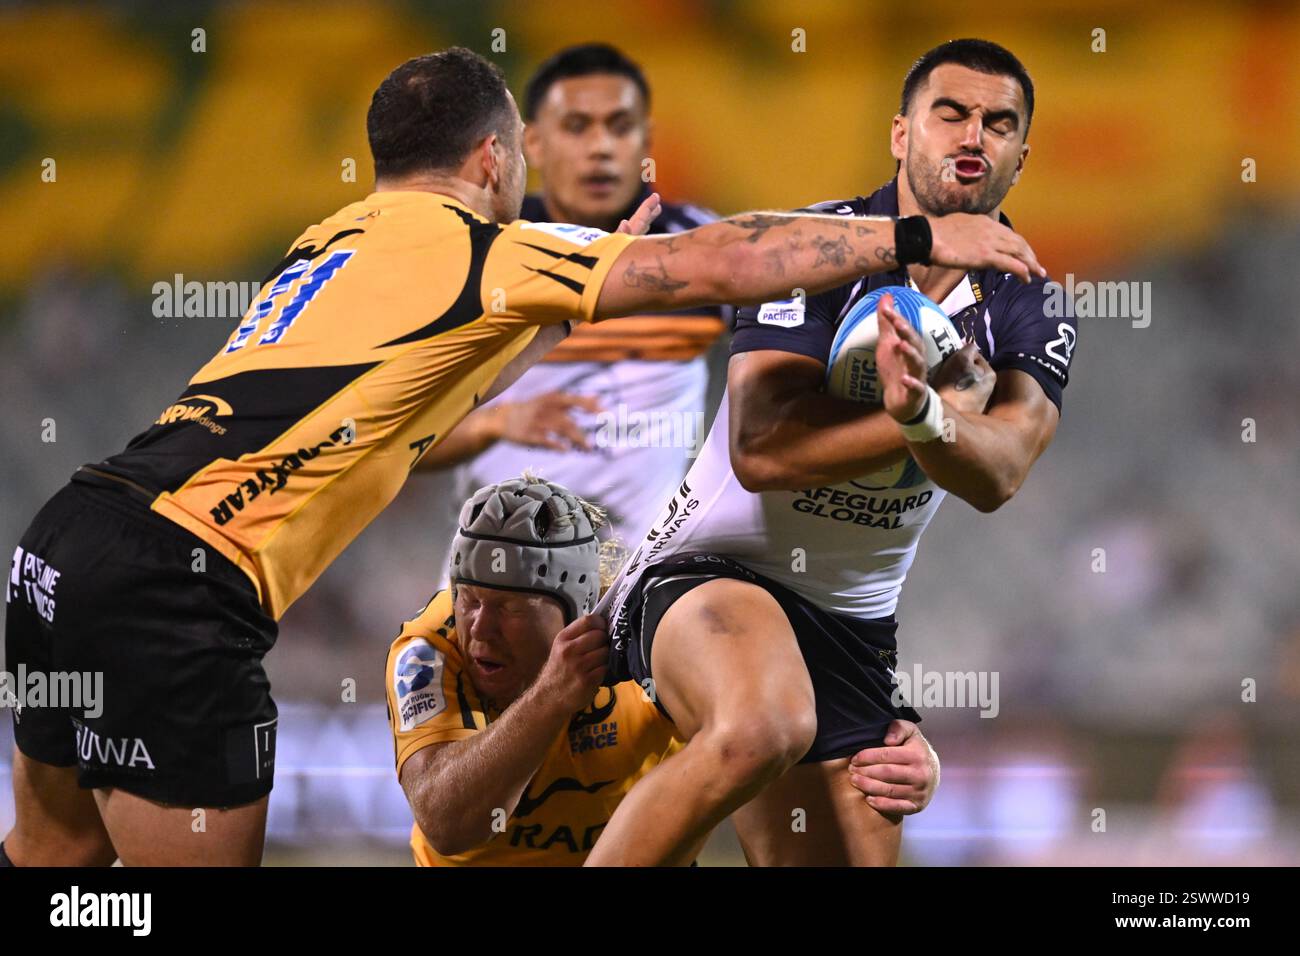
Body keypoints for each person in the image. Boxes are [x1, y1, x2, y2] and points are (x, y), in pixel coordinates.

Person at [3, 44, 1041, 867]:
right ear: (496, 161)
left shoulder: (333, 240)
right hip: (180, 580)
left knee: (56, 852)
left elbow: (421, 391)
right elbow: (718, 259)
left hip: (69, 539)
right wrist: (911, 240)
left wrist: (561, 319)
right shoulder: (481, 248)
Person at [587, 38, 1076, 866]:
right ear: (900, 133)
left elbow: (1001, 471)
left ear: (1020, 157)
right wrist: (912, 420)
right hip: (711, 574)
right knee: (763, 726)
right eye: (950, 113)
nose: (972, 135)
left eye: (998, 124)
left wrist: (924, 411)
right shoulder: (819, 247)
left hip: (852, 627)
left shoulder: (1029, 300)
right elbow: (761, 449)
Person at [385, 475, 940, 865]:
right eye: (470, 600)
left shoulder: (638, 643)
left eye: (508, 608)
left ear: (573, 607)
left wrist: (906, 755)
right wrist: (553, 694)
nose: (479, 628)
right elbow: (449, 822)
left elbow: (780, 703)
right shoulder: (429, 647)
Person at [416, 43, 730, 553]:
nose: (601, 147)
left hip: (636, 586)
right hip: (492, 581)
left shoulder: (695, 251)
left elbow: (794, 346)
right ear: (532, 145)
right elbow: (395, 439)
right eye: (578, 126)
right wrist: (498, 422)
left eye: (621, 126)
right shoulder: (480, 253)